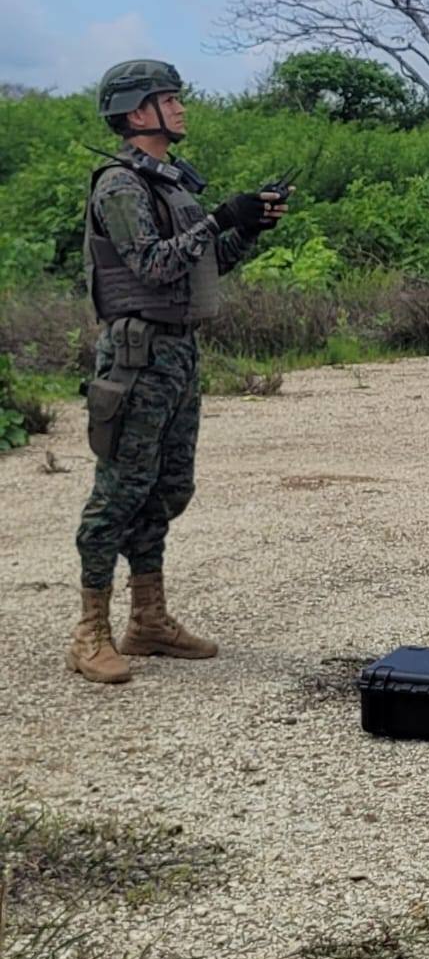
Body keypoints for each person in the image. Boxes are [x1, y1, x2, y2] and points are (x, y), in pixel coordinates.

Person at [69, 60, 289, 685]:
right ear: (139, 113)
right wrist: (221, 217)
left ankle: (148, 620)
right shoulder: (120, 186)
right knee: (118, 491)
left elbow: (202, 265)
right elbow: (153, 266)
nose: (182, 108)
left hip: (176, 355)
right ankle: (90, 632)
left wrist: (246, 226)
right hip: (136, 357)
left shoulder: (169, 185)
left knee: (168, 487)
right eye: (170, 99)